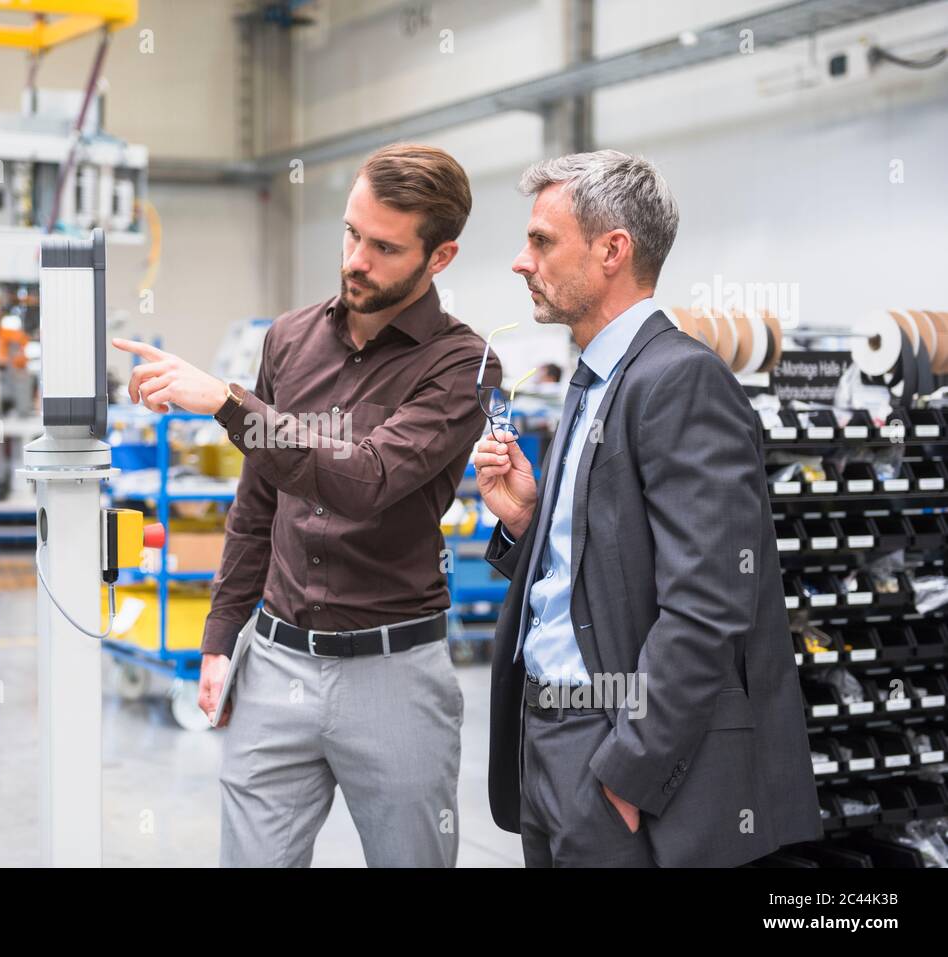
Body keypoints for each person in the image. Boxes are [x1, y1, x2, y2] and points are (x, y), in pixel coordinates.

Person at [113, 143, 500, 867]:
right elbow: (258, 500)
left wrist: (230, 403)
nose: (356, 258)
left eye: (384, 247)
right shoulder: (288, 339)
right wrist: (222, 633)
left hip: (395, 674)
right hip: (275, 663)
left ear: (439, 257)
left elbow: (369, 478)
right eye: (352, 233)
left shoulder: (462, 365)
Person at [473, 149, 821, 867]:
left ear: (612, 250)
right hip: (549, 736)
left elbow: (708, 603)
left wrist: (632, 769)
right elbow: (603, 569)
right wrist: (526, 523)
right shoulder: (595, 376)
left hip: (613, 744)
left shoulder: (680, 380)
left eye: (541, 240)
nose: (519, 260)